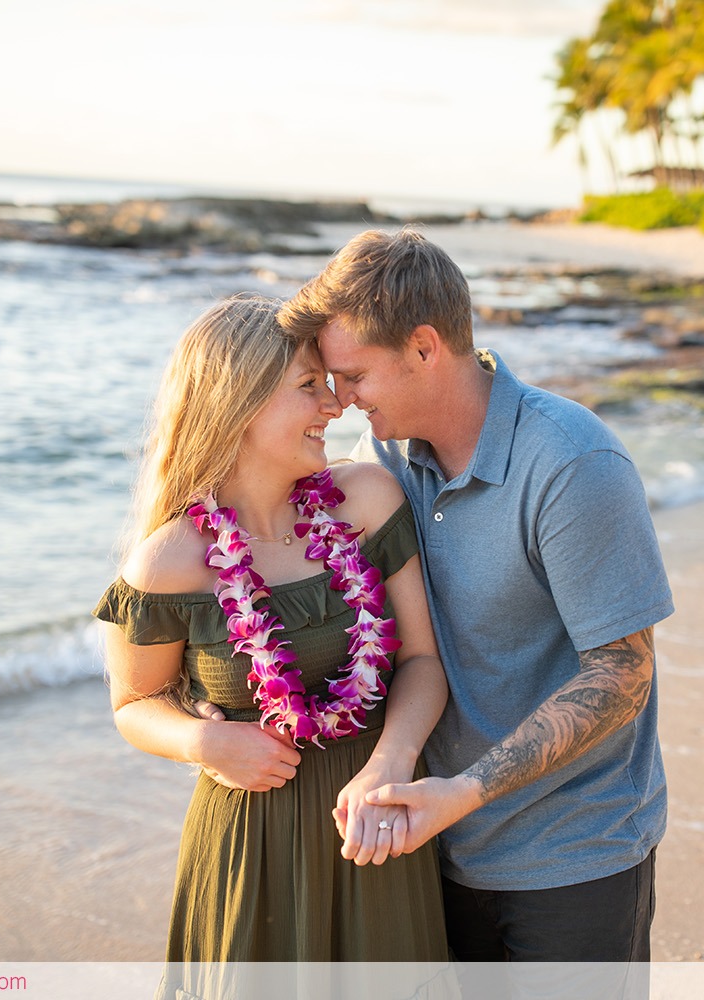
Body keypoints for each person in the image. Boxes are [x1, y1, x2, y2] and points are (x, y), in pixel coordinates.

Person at [279, 229, 674, 963]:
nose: (339, 400)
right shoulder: (386, 458)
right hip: (432, 846)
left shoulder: (571, 463)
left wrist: (467, 789)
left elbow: (622, 673)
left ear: (424, 348)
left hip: (574, 856)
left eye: (354, 375)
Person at [93, 293, 452, 982]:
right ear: (239, 402)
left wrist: (391, 762)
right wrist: (206, 741)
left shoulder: (368, 501)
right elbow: (132, 706)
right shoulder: (169, 563)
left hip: (377, 828)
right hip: (250, 849)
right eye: (308, 387)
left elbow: (422, 659)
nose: (334, 405)